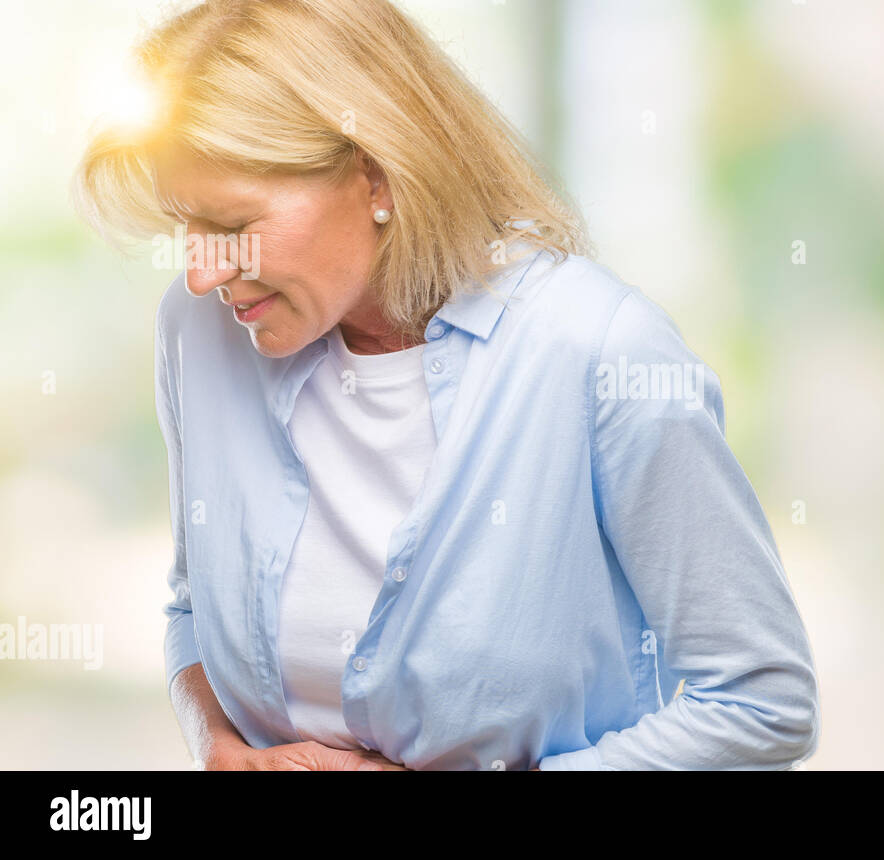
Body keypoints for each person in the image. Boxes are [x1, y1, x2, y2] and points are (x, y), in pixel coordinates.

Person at [72, 0, 820, 770]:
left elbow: (760, 705)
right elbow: (194, 607)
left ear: (375, 175)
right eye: (182, 226)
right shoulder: (198, 335)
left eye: (233, 226)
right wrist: (218, 744)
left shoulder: (599, 354)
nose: (200, 275)